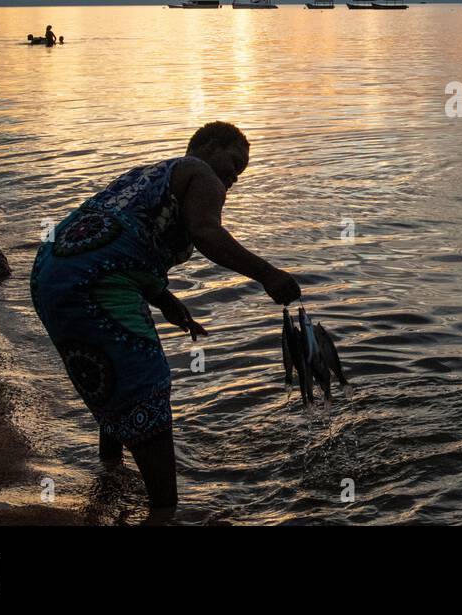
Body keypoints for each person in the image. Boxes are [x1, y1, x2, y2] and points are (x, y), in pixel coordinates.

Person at [29, 122, 301, 509]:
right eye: (234, 162)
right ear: (207, 146)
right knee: (145, 382)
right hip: (95, 283)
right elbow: (207, 233)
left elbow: (127, 235)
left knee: (113, 373)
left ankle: (111, 471)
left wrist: (165, 300)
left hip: (51, 272)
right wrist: (268, 274)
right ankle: (164, 510)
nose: (234, 176)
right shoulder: (202, 174)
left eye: (241, 173)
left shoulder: (152, 172)